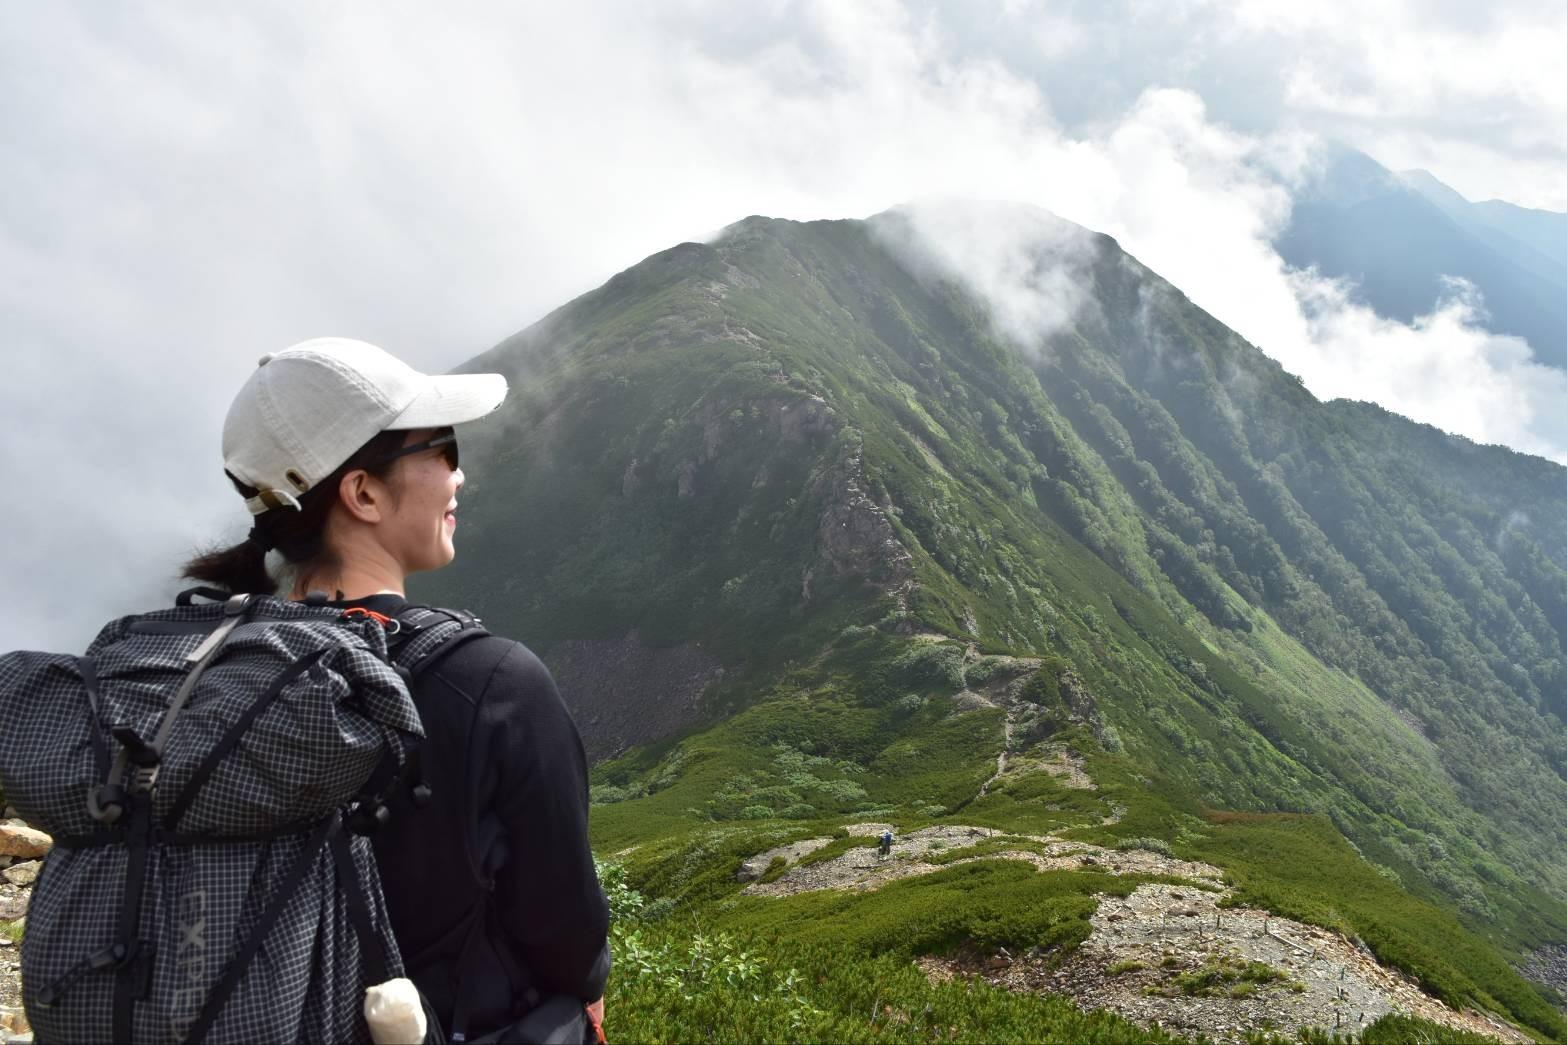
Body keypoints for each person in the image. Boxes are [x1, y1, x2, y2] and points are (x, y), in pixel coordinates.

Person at [184, 337, 610, 1043]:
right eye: (443, 448)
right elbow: (569, 939)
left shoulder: (203, 665)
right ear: (363, 493)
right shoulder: (491, 682)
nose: (459, 475)